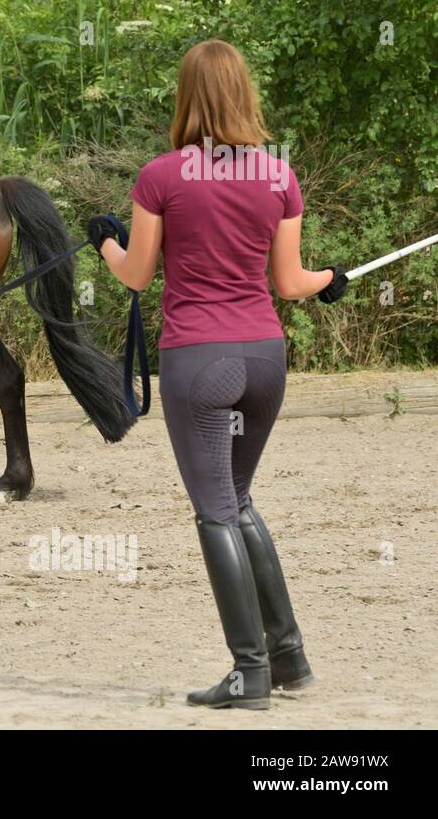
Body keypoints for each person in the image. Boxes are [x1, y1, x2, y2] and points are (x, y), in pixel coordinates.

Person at [86, 39, 349, 710]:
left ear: (187, 97)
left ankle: (248, 672)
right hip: (264, 356)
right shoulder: (277, 177)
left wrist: (106, 242)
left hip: (199, 360)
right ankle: (287, 657)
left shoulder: (162, 176)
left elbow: (137, 275)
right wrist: (331, 280)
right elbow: (290, 283)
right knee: (237, 499)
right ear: (244, 94)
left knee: (214, 512)